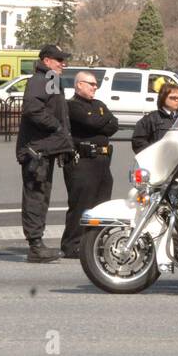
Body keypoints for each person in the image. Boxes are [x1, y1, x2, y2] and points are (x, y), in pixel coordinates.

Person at [16, 45, 75, 263]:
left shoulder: (49, 78)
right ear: (47, 60)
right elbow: (33, 109)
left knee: (41, 196)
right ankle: (35, 245)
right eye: (59, 60)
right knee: (36, 196)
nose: (63, 64)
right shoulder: (41, 79)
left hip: (43, 148)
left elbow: (53, 110)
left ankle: (37, 243)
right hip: (36, 150)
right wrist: (57, 128)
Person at [60, 70, 120, 260]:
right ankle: (72, 245)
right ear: (79, 85)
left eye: (96, 84)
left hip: (102, 162)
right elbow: (89, 121)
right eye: (91, 84)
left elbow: (114, 125)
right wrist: (101, 119)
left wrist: (99, 119)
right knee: (81, 204)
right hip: (83, 161)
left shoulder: (98, 104)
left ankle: (96, 243)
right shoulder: (72, 105)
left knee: (101, 204)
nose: (95, 87)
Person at [131, 82, 178, 152]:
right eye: (172, 97)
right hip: (159, 160)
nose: (177, 100)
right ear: (163, 97)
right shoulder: (151, 118)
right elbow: (138, 141)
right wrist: (153, 153)